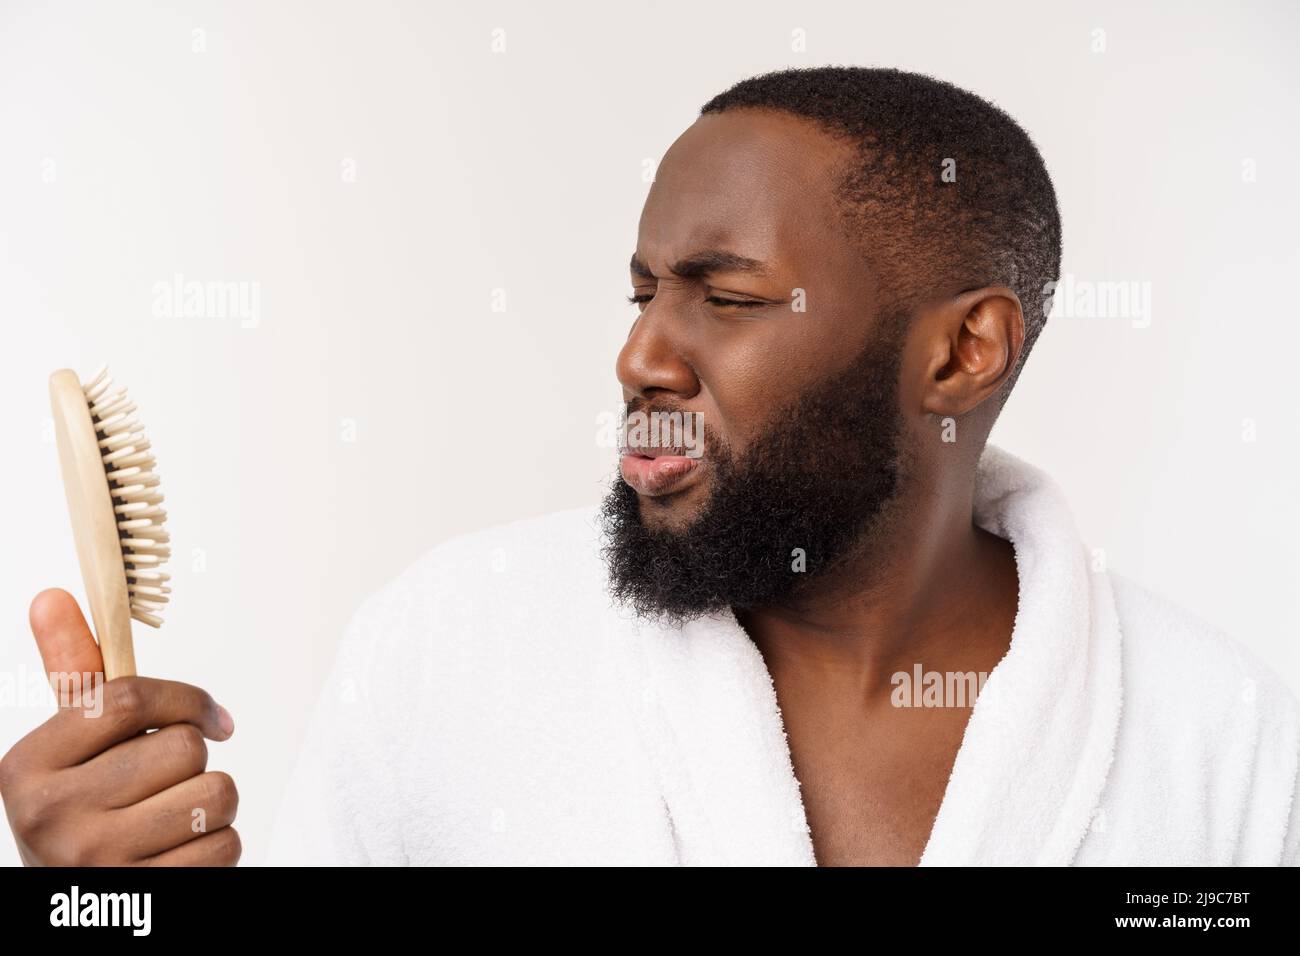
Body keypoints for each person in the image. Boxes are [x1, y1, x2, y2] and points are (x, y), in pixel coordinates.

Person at [4, 66, 1297, 867]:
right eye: (640, 294)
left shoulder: (1217, 740)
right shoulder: (451, 648)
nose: (641, 356)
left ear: (961, 355)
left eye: (724, 299)